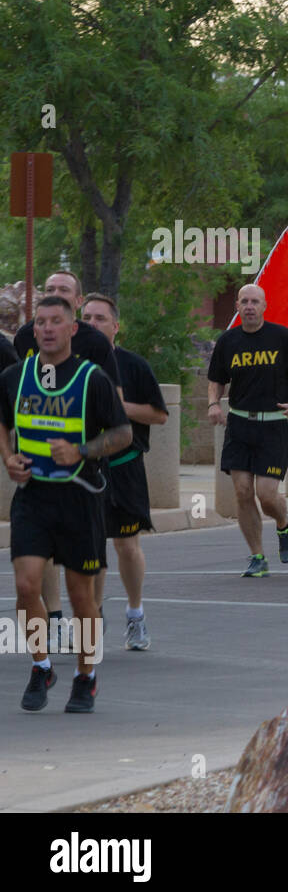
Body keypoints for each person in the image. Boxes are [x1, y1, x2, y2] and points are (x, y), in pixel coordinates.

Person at [3, 296, 131, 712]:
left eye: (56, 321)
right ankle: (42, 666)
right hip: (33, 495)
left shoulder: (92, 378)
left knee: (80, 597)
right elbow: (2, 421)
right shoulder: (15, 376)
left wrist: (82, 450)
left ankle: (85, 675)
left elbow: (123, 434)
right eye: (40, 322)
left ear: (72, 329)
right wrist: (8, 457)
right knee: (26, 585)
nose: (46, 328)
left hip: (80, 496)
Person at [15, 272, 121, 645]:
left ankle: (91, 618)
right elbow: (13, 396)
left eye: (63, 290)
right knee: (35, 561)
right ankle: (54, 619)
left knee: (87, 563)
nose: (55, 293)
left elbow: (115, 408)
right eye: (50, 290)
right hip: (36, 472)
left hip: (84, 471)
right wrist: (11, 453)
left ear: (76, 303)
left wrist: (85, 447)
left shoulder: (95, 345)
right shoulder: (25, 339)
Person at [80, 294, 168, 651]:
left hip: (124, 466)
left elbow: (159, 415)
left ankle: (135, 613)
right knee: (91, 547)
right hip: (84, 468)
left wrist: (118, 407)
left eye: (100, 318)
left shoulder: (133, 365)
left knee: (126, 545)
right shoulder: (69, 366)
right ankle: (93, 616)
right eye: (86, 317)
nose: (92, 324)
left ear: (115, 326)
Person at [207, 284, 288, 577]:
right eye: (245, 301)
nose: (249, 306)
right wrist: (213, 404)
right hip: (239, 424)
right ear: (237, 306)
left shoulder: (281, 337)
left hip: (273, 425)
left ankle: (284, 524)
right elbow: (216, 379)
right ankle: (257, 557)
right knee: (242, 492)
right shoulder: (228, 341)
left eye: (255, 301)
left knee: (266, 495)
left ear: (264, 306)